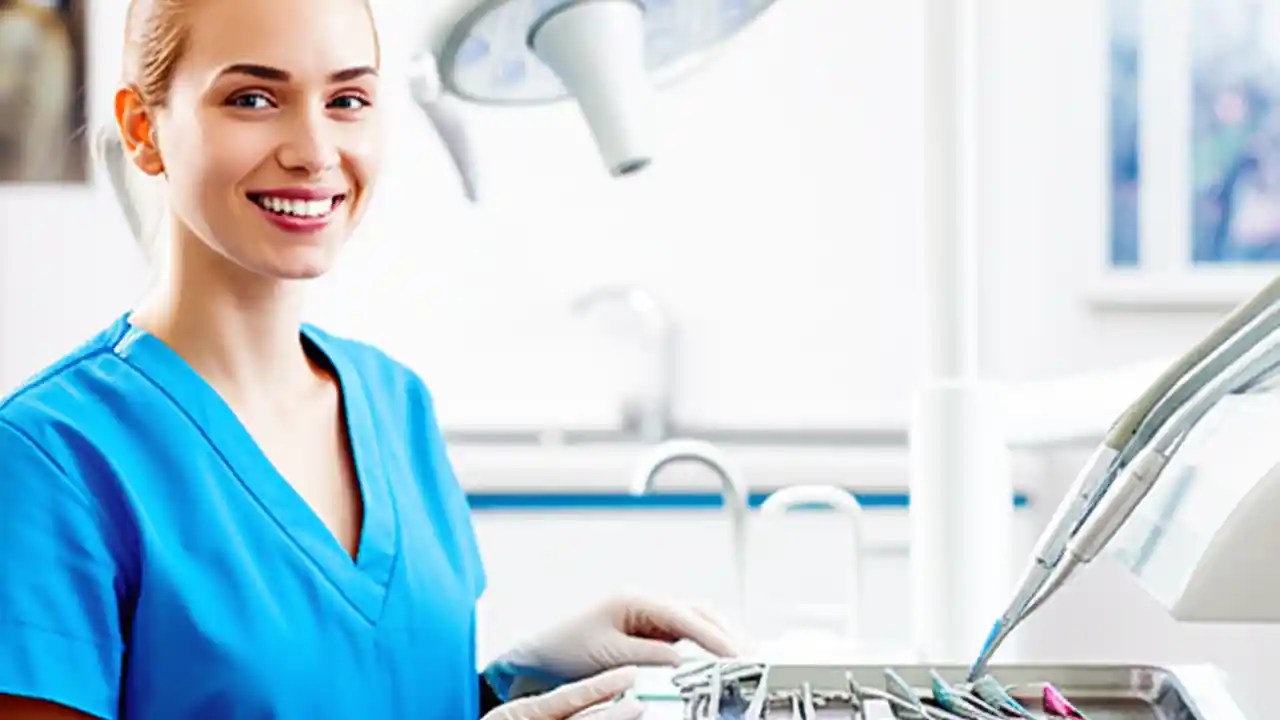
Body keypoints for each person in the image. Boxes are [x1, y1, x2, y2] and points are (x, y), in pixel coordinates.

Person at [0, 0, 737, 718]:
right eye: (254, 98)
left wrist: (510, 686)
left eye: (348, 99)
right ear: (142, 130)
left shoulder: (396, 405)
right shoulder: (49, 459)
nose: (314, 150)